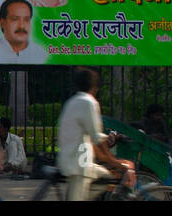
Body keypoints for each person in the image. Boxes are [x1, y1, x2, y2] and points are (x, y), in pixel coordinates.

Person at [56, 67, 134, 200]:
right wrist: (114, 161)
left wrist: (107, 145)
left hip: (70, 160)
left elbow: (89, 135)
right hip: (80, 166)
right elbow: (96, 137)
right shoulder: (89, 102)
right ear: (95, 87)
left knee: (107, 178)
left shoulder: (71, 102)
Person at [0, 0, 48, 64]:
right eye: (15, 19)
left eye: (26, 19)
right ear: (2, 22)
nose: (21, 26)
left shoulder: (41, 54)